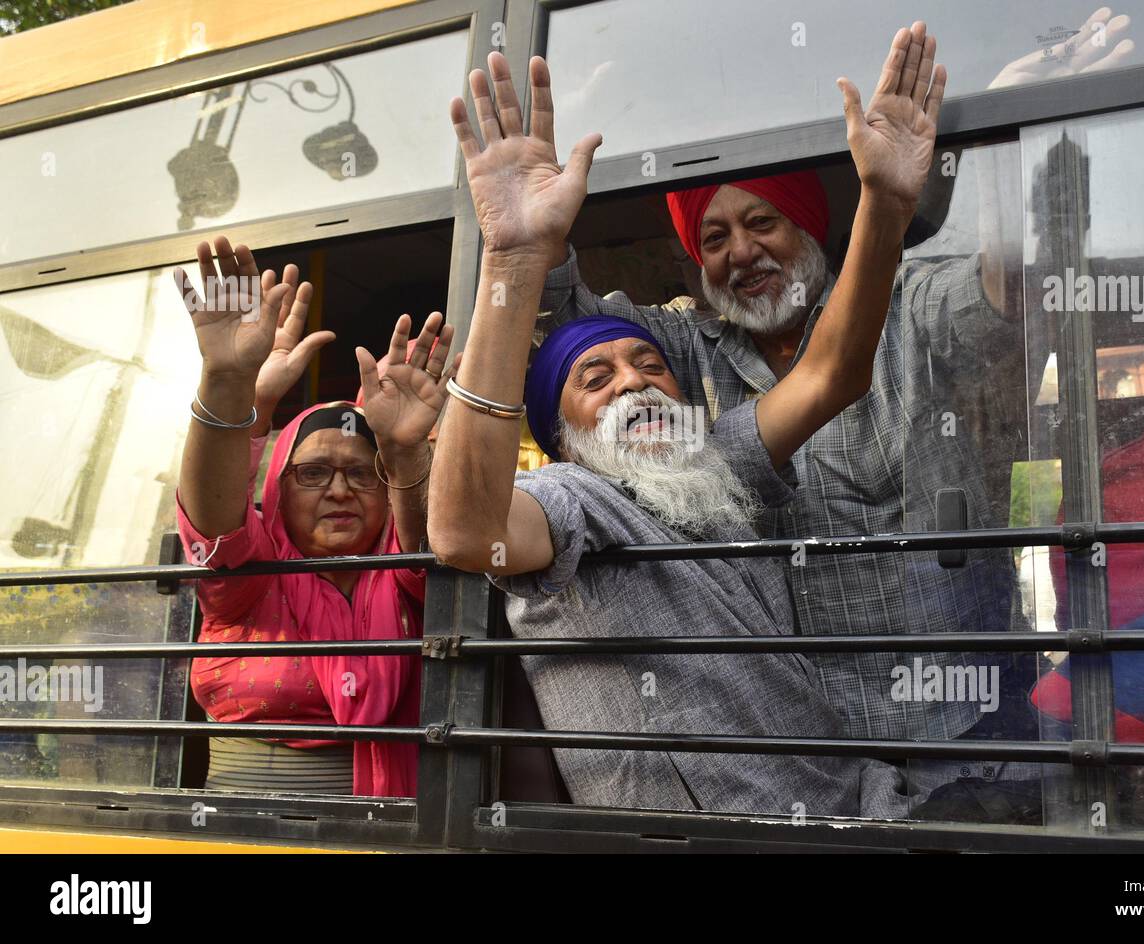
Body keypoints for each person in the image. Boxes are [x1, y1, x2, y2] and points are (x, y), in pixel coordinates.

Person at [429, 28, 943, 814]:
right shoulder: (574, 501)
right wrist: (512, 260)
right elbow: (465, 533)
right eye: (595, 378)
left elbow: (834, 373)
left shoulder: (714, 457)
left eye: (651, 365)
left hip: (871, 806)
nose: (634, 383)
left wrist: (885, 203)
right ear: (562, 437)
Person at [174, 236, 454, 796]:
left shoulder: (408, 572)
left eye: (361, 473)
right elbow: (210, 516)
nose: (339, 491)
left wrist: (402, 452)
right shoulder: (250, 578)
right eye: (312, 474)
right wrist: (230, 385)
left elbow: (425, 540)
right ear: (275, 493)